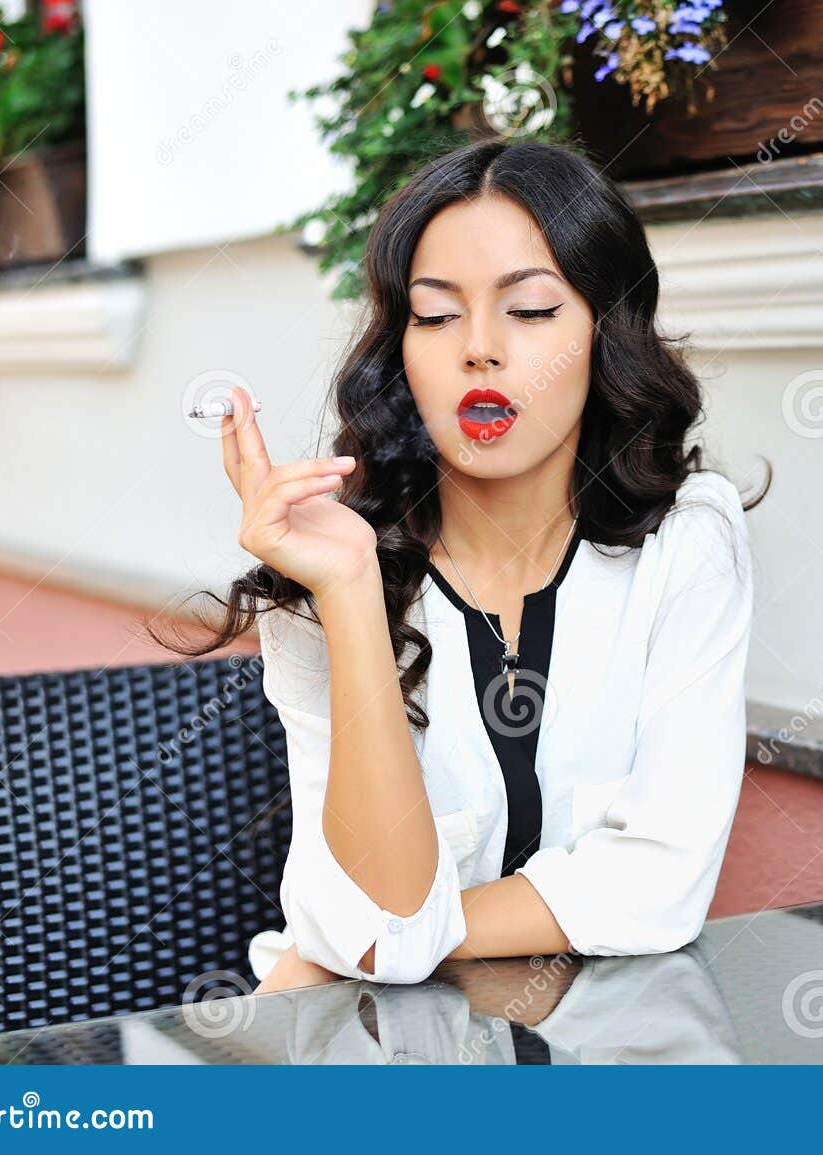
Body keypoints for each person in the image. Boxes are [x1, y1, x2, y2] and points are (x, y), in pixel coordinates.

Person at [167, 137, 769, 992]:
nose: (479, 349)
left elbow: (663, 884)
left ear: (607, 331)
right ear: (401, 350)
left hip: (606, 1047)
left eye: (529, 311)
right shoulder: (326, 567)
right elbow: (380, 929)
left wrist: (387, 941)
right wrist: (346, 591)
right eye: (437, 314)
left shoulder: (688, 540)